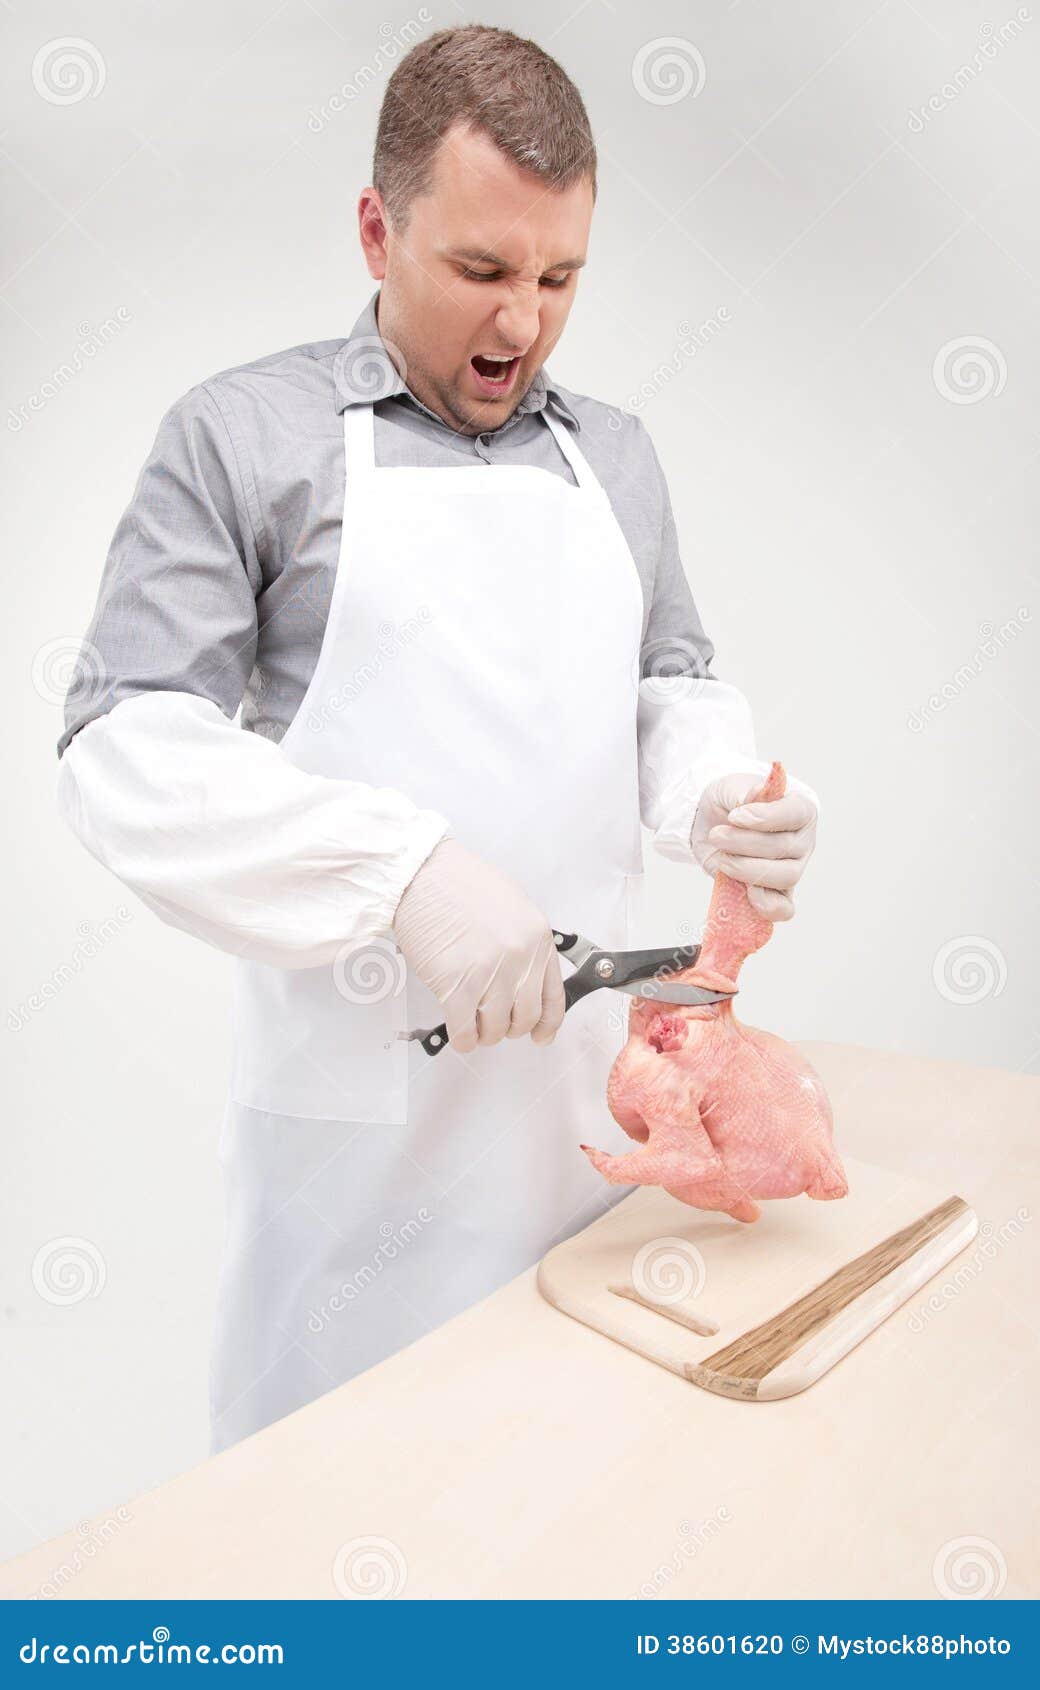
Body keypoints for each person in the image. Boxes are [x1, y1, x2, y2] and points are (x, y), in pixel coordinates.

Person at [57, 25, 818, 1452]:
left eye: (559, 277)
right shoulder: (245, 438)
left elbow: (671, 679)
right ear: (376, 228)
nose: (522, 323)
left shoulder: (620, 456)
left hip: (592, 1150)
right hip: (361, 1162)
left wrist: (723, 792)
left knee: (569, 1535)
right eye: (481, 270)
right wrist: (403, 872)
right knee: (336, 1544)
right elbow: (118, 744)